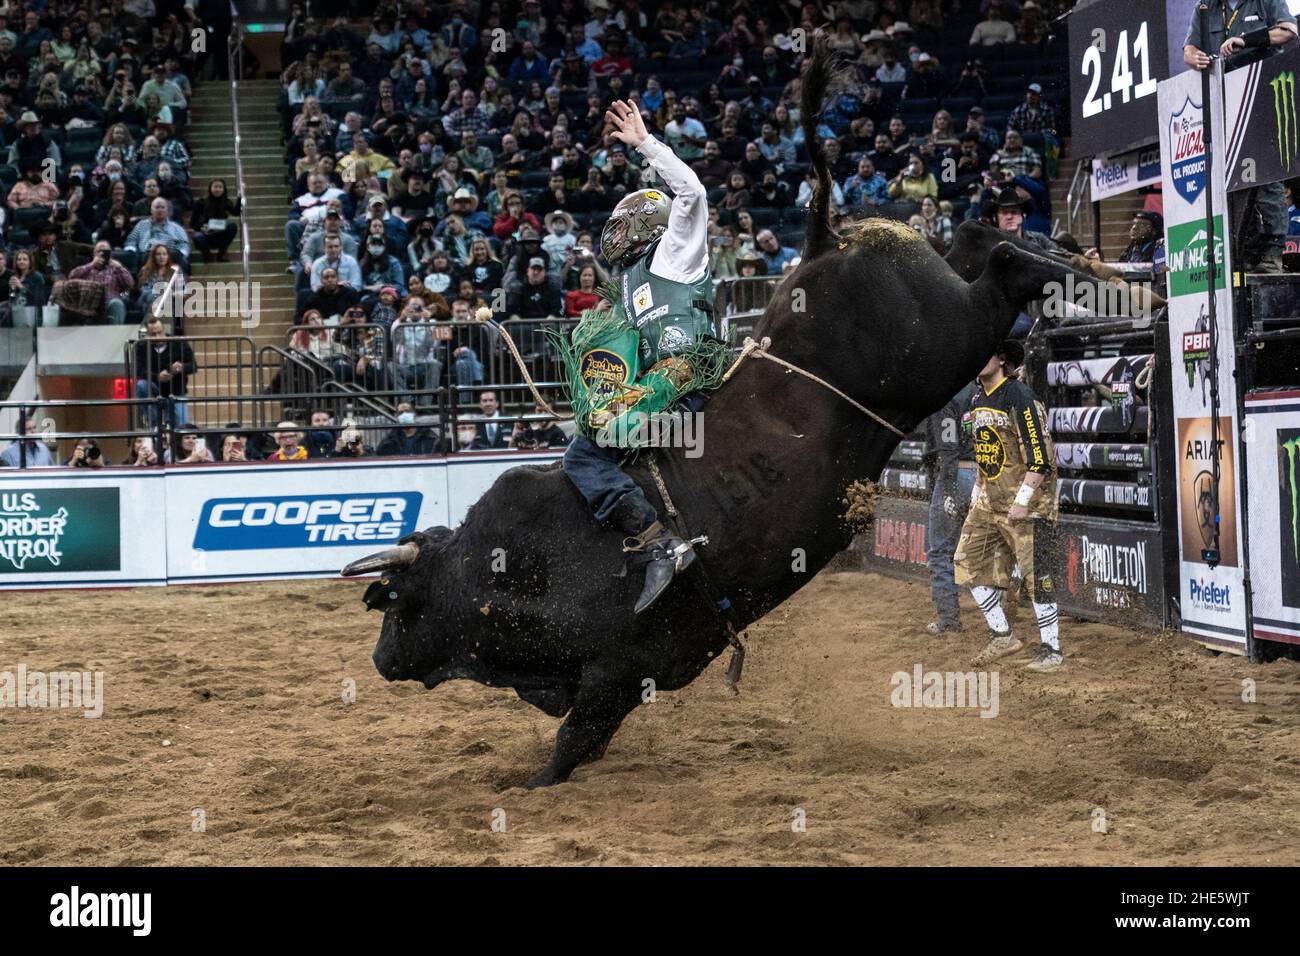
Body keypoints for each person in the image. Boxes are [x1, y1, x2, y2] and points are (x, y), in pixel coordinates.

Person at [560, 99, 729, 614]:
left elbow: (693, 191)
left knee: (586, 453)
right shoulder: (629, 280)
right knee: (598, 437)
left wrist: (644, 144)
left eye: (620, 221)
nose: (612, 232)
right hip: (661, 397)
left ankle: (660, 543)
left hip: (687, 394)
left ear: (644, 221)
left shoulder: (675, 252)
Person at [954, 340, 1063, 673]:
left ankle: (1052, 649)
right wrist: (978, 492)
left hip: (1028, 505)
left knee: (1036, 575)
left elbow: (1041, 458)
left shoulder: (1021, 398)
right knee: (966, 560)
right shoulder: (976, 399)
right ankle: (1002, 633)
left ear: (1002, 359)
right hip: (991, 500)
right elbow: (985, 454)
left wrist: (1021, 502)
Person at [1184, 1, 1298, 272]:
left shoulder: (1264, 1)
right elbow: (1189, 49)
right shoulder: (1206, 6)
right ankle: (1241, 251)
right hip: (1224, 99)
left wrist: (1246, 41)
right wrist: (1194, 58)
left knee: (1267, 176)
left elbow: (1290, 30)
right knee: (1232, 180)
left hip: (1261, 94)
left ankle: (1272, 252)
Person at [922, 381, 978, 634]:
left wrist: (947, 489)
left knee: (941, 551)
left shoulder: (945, 395)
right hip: (989, 475)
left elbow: (947, 447)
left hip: (959, 474)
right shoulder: (984, 391)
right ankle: (1001, 616)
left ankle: (949, 620)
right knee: (987, 550)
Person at [133, 317, 196, 427]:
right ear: (147, 335)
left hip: (176, 389)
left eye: (160, 332)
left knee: (182, 426)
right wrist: (157, 376)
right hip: (154, 387)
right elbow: (140, 370)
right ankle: (156, 424)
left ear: (164, 330)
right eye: (153, 334)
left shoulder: (179, 343)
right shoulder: (142, 346)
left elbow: (193, 366)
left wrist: (181, 367)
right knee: (141, 385)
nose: (158, 337)